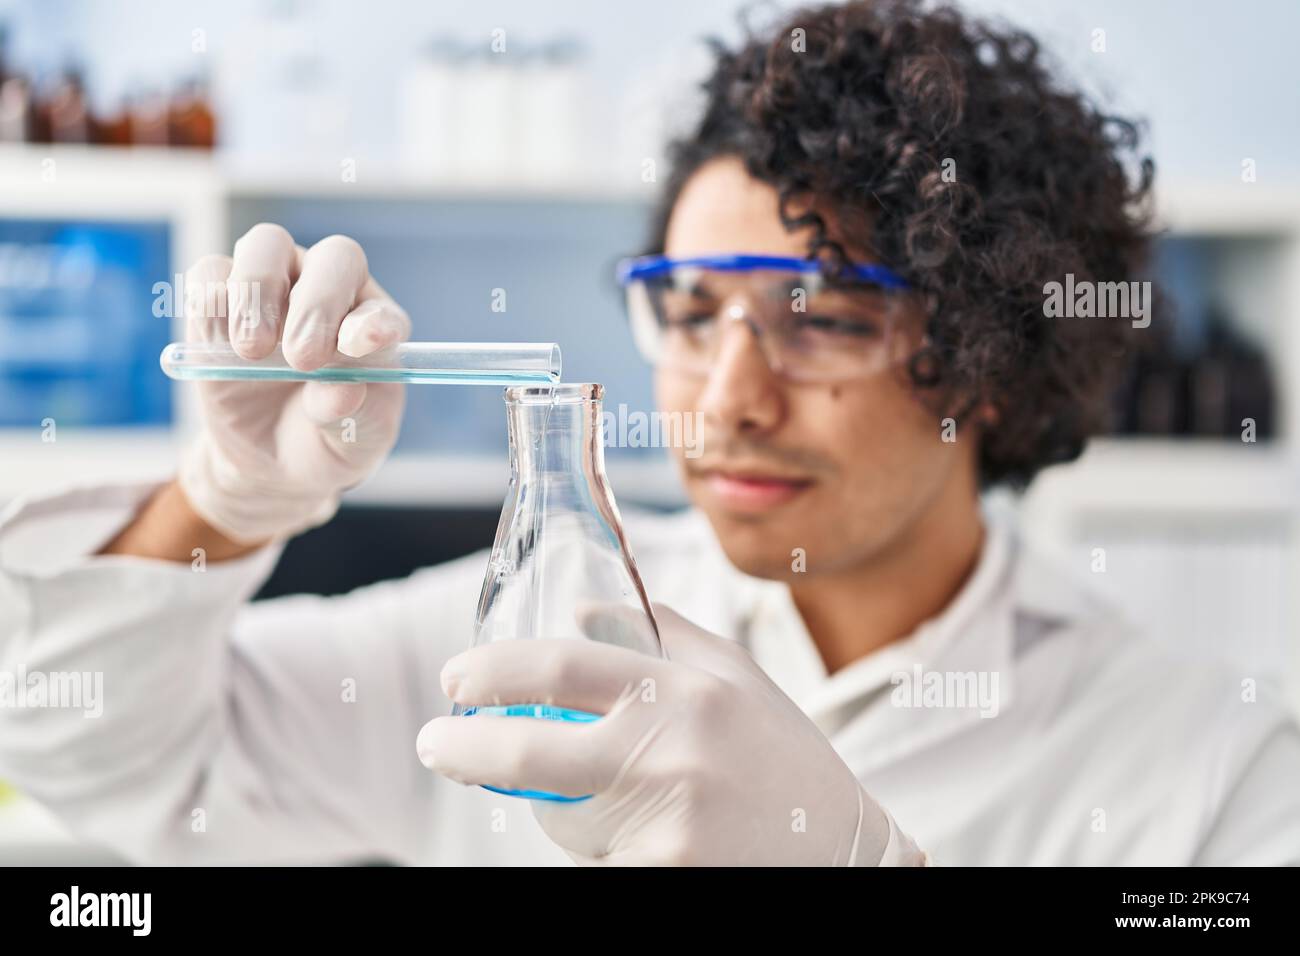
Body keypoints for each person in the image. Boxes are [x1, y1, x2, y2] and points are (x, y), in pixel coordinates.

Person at [1, 0, 1297, 866]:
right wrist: (220, 504)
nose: (724, 396)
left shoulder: (1213, 774)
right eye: (686, 308)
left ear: (994, 370)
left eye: (825, 319)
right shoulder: (533, 633)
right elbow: (102, 760)